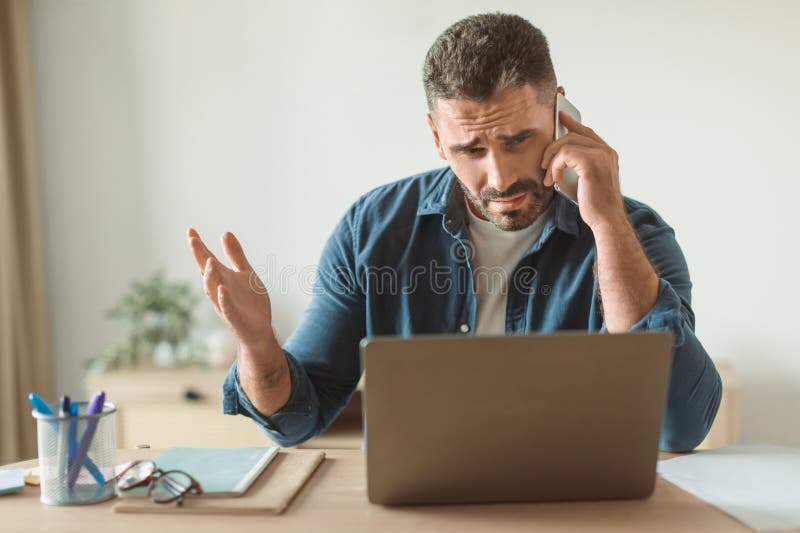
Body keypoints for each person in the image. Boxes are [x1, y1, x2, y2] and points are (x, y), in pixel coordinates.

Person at [187, 12, 721, 452]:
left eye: (519, 140)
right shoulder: (372, 230)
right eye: (472, 149)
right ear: (437, 138)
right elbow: (297, 418)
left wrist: (605, 224)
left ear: (561, 114)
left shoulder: (636, 235)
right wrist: (258, 348)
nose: (500, 176)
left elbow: (679, 428)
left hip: (578, 508)